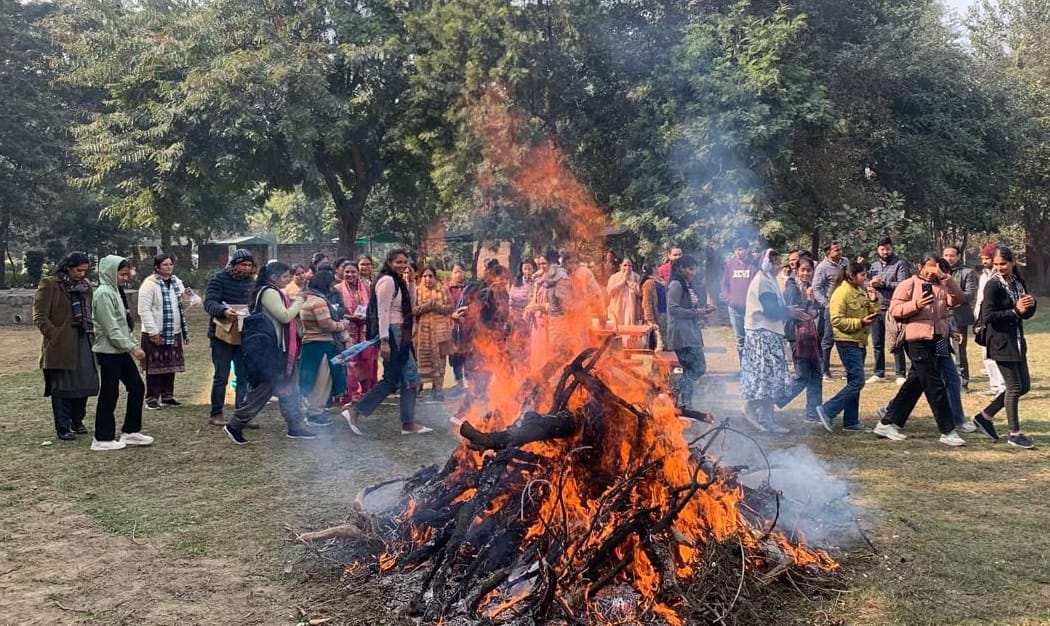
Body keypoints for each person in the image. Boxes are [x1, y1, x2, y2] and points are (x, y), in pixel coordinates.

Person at [870, 252, 967, 446]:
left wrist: (946, 279)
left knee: (917, 381)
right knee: (934, 383)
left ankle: (888, 422)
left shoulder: (942, 285)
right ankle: (948, 430)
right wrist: (916, 304)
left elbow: (958, 299)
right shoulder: (908, 284)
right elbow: (895, 311)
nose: (932, 272)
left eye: (936, 267)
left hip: (940, 339)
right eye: (929, 267)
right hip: (916, 339)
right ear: (920, 266)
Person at [343, 249, 433, 435]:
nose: (402, 265)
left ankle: (360, 412)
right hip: (393, 334)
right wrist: (384, 340)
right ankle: (403, 422)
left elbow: (411, 307)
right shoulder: (387, 281)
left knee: (398, 379)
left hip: (401, 333)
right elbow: (382, 312)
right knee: (407, 378)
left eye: (405, 262)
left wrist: (411, 282)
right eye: (398, 262)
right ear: (390, 262)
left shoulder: (399, 281)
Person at [223, 262, 315, 443]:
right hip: (273, 350)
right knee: (265, 389)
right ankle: (235, 424)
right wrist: (300, 300)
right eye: (286, 277)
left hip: (278, 349)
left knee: (289, 387)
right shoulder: (269, 293)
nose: (289, 280)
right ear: (274, 278)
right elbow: (285, 316)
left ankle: (295, 426)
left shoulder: (271, 291)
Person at [970, 246, 1037, 449]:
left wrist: (1030, 305)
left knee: (1024, 386)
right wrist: (1015, 311)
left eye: (1003, 264)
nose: (999, 268)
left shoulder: (1017, 282)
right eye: (996, 264)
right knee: (1014, 387)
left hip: (1016, 340)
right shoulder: (993, 285)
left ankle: (985, 416)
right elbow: (989, 316)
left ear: (1012, 263)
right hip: (999, 341)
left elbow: (1024, 313)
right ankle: (1014, 433)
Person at [32, 252, 100, 441]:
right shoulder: (50, 284)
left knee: (84, 382)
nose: (81, 274)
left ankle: (77, 421)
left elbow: (90, 309)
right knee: (62, 386)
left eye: (85, 271)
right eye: (78, 270)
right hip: (61, 343)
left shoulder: (86, 287)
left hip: (84, 338)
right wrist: (55, 335)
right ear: (68, 267)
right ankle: (63, 426)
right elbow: (40, 316)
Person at [90, 256, 154, 451]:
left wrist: (132, 343)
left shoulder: (115, 291)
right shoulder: (103, 294)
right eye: (122, 274)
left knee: (136, 387)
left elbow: (122, 324)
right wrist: (132, 347)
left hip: (120, 349)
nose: (125, 278)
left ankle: (131, 431)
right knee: (110, 393)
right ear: (110, 273)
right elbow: (111, 329)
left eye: (127, 274)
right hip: (109, 352)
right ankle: (102, 438)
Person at [815, 262, 880, 432]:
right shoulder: (841, 293)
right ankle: (828, 409)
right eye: (862, 275)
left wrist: (874, 302)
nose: (864, 278)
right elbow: (836, 320)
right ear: (851, 276)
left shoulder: (860, 291)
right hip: (847, 341)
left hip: (860, 341)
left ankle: (851, 422)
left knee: (854, 381)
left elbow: (870, 313)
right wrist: (859, 323)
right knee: (858, 381)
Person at [740, 249, 794, 433]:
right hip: (762, 334)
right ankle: (752, 409)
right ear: (768, 264)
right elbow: (770, 311)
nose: (780, 266)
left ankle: (766, 418)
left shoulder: (769, 279)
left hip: (768, 334)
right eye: (777, 262)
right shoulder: (762, 281)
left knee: (772, 379)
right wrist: (790, 312)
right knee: (767, 378)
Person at [203, 249, 256, 426]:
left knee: (243, 377)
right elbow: (209, 302)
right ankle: (216, 413)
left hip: (244, 335)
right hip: (221, 336)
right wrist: (224, 311)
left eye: (249, 265)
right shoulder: (218, 279)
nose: (247, 268)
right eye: (243, 264)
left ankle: (241, 415)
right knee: (221, 376)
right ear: (234, 264)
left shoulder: (252, 283)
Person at [137, 254, 190, 410]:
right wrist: (153, 332)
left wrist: (187, 297)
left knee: (170, 365)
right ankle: (152, 398)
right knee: (155, 366)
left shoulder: (176, 282)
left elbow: (185, 302)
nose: (168, 267)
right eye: (165, 265)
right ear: (157, 267)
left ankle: (168, 395)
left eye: (170, 264)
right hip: (155, 330)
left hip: (172, 330)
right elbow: (144, 310)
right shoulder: (149, 284)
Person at [298, 269, 350, 426]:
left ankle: (311, 411)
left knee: (310, 379)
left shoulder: (306, 298)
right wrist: (343, 325)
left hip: (310, 343)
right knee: (322, 381)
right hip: (321, 345)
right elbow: (326, 325)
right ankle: (315, 413)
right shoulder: (319, 302)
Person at [776, 256, 822, 424]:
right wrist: (810, 304)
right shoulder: (793, 289)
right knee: (802, 377)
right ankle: (774, 400)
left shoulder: (809, 288)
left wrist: (811, 308)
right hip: (797, 338)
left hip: (811, 337)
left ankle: (814, 412)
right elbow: (796, 313)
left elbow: (815, 312)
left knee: (816, 373)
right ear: (797, 271)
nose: (806, 273)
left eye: (808, 270)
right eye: (802, 270)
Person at [666, 255, 708, 410]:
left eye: (695, 268)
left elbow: (692, 306)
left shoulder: (687, 285)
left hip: (690, 334)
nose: (694, 272)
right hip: (681, 336)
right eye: (691, 269)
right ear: (681, 269)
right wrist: (696, 312)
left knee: (692, 370)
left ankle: (684, 402)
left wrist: (703, 310)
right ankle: (676, 393)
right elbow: (673, 309)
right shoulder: (676, 285)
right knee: (697, 369)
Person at [867, 237, 911, 385]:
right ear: (877, 249)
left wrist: (883, 283)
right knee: (877, 342)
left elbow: (903, 284)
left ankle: (900, 373)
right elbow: (867, 281)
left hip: (894, 308)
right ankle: (879, 373)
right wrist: (871, 284)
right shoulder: (874, 265)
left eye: (888, 249)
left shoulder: (900, 264)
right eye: (882, 249)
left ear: (892, 248)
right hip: (876, 307)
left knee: (896, 341)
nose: (885, 252)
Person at [414, 266, 454, 400]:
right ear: (421, 278)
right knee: (423, 360)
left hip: (441, 332)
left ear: (435, 277)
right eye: (425, 276)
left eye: (430, 276)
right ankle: (419, 388)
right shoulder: (417, 291)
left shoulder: (443, 290)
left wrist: (437, 306)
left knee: (440, 360)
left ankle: (438, 389)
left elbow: (450, 308)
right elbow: (413, 310)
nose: (428, 279)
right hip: (423, 333)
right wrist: (427, 306)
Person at [943, 246, 978, 391]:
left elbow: (970, 294)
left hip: (959, 316)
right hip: (941, 316)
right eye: (946, 255)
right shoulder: (939, 271)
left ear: (958, 256)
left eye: (952, 255)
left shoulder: (967, 272)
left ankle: (963, 382)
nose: (948, 258)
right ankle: (946, 379)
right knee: (942, 349)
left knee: (959, 351)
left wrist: (954, 298)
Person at [337, 261, 374, 402]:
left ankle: (365, 392)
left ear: (358, 273)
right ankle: (352, 394)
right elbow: (336, 312)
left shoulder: (366, 287)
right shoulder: (338, 289)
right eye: (347, 272)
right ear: (342, 273)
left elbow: (371, 307)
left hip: (364, 328)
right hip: (348, 330)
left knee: (366, 360)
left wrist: (367, 317)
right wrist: (350, 317)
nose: (350, 275)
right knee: (351, 362)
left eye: (353, 272)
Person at [812, 241, 848, 379]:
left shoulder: (845, 263)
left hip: (846, 306)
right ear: (828, 252)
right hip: (831, 307)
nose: (840, 252)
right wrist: (826, 304)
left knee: (845, 339)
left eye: (840, 249)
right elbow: (816, 288)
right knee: (828, 339)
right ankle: (824, 370)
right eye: (836, 250)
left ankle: (847, 369)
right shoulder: (822, 267)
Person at [975, 243, 1005, 396]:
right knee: (986, 354)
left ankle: (1002, 386)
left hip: (995, 319)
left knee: (996, 354)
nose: (984, 261)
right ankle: (994, 385)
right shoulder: (983, 276)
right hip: (982, 319)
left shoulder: (1000, 276)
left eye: (987, 258)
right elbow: (980, 299)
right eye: (983, 258)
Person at [719, 239, 754, 368]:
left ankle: (753, 369)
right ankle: (743, 369)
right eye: (737, 249)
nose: (739, 252)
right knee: (740, 340)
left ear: (747, 249)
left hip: (751, 309)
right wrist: (728, 298)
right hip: (734, 309)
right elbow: (724, 283)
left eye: (741, 249)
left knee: (752, 340)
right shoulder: (730, 264)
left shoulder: (754, 264)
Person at [446, 262, 470, 396]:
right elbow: (445, 305)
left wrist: (467, 314)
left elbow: (474, 303)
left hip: (467, 326)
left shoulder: (469, 288)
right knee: (454, 354)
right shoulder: (448, 289)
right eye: (455, 271)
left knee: (467, 353)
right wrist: (452, 315)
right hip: (452, 326)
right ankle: (458, 381)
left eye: (460, 271)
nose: (458, 274)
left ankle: (467, 381)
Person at [606, 257, 641, 327]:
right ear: (620, 266)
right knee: (617, 333)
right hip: (617, 310)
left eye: (630, 265)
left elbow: (640, 292)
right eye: (625, 265)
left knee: (630, 333)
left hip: (631, 311)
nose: (627, 267)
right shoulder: (614, 277)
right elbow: (609, 291)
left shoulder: (636, 277)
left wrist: (628, 281)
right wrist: (622, 282)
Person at [640, 262, 667, 351]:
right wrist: (650, 320)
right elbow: (646, 302)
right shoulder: (648, 283)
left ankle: (665, 362)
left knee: (665, 342)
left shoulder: (659, 281)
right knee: (656, 344)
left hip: (664, 315)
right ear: (654, 268)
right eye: (657, 266)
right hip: (656, 317)